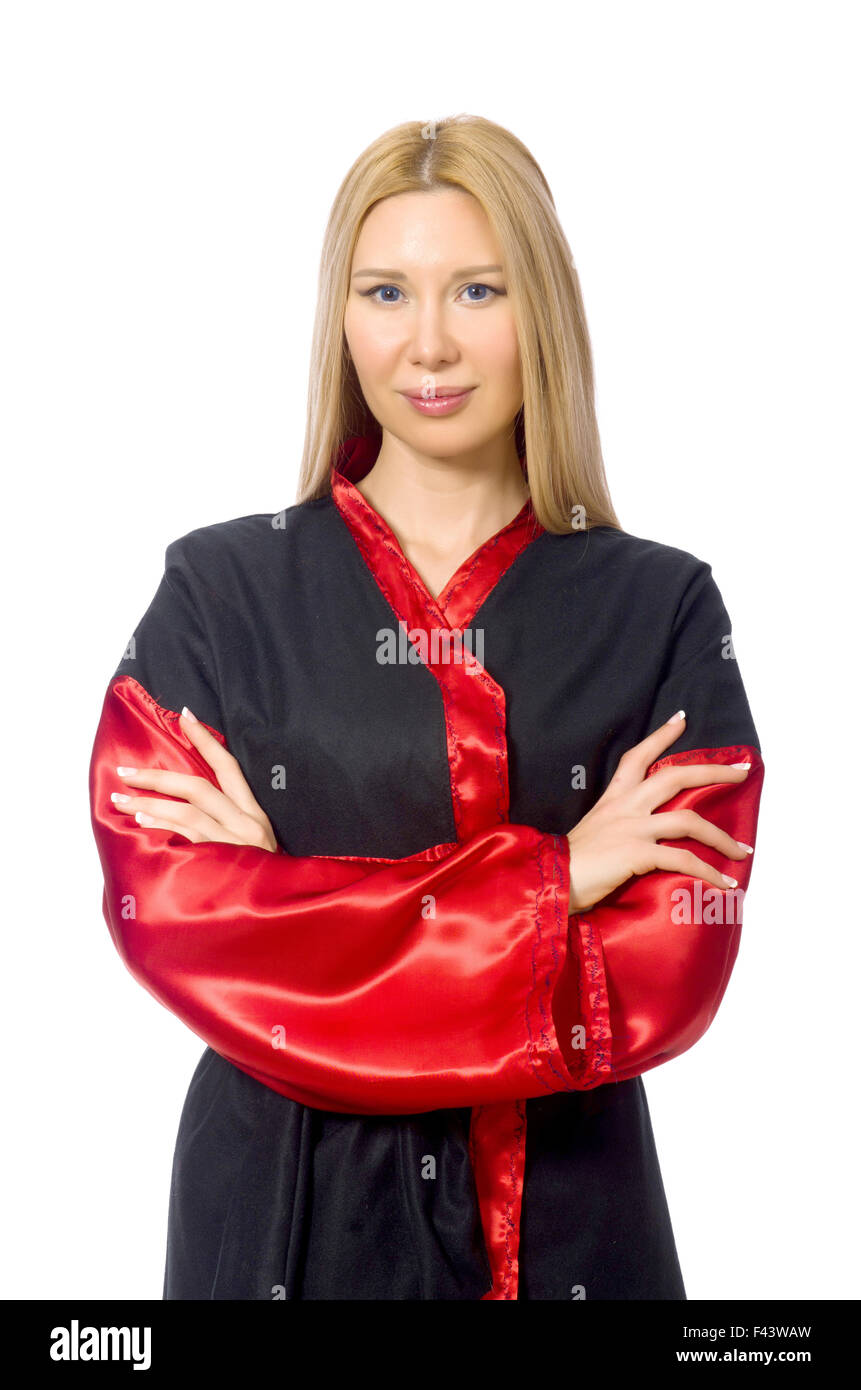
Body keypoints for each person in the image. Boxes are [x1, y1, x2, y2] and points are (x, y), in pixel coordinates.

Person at [88, 114, 764, 1300]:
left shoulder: (660, 606)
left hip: (570, 1234)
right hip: (281, 1232)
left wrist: (287, 907)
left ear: (541, 309)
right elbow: (182, 924)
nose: (431, 344)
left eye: (479, 290)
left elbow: (670, 970)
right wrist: (562, 879)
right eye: (387, 291)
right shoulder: (220, 593)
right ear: (341, 319)